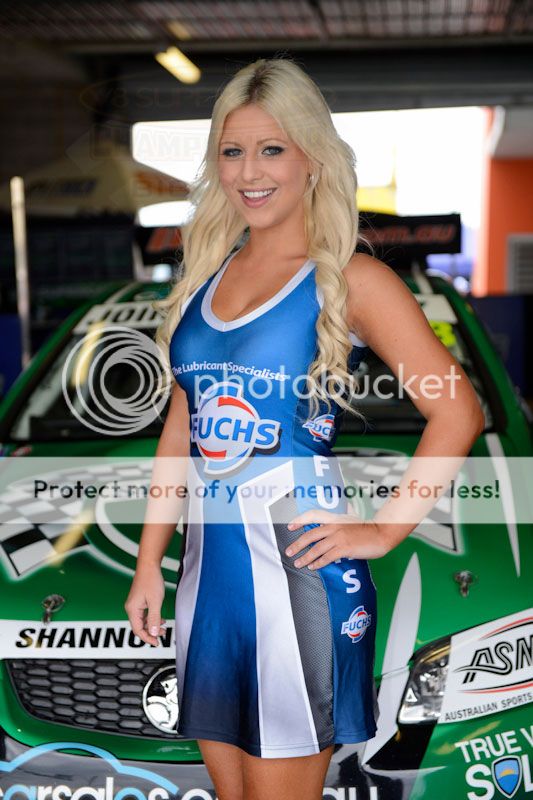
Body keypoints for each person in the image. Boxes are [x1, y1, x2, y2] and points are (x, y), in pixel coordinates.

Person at [125, 56, 484, 800]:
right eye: (232, 151)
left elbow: (456, 411)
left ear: (313, 158)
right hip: (206, 585)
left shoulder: (350, 280)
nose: (248, 171)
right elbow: (179, 431)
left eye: (271, 149)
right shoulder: (204, 276)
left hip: (297, 578)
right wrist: (148, 563)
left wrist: (382, 531)